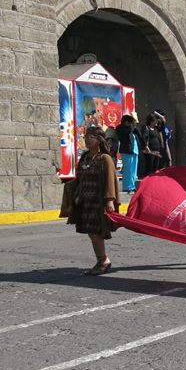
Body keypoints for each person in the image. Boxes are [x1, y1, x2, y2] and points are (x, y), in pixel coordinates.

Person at [67, 125, 121, 275]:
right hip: (85, 201)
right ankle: (101, 260)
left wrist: (110, 200)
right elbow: (79, 177)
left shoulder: (105, 158)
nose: (87, 140)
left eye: (90, 137)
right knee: (91, 232)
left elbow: (110, 180)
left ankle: (103, 260)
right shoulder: (85, 157)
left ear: (98, 140)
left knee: (96, 232)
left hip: (99, 201)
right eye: (86, 137)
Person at [115, 113, 141, 193]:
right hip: (127, 151)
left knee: (133, 170)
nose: (130, 124)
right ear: (125, 121)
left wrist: (135, 125)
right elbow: (128, 130)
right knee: (127, 170)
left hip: (134, 151)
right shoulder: (120, 128)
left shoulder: (132, 128)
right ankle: (127, 187)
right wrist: (132, 125)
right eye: (129, 122)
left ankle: (132, 186)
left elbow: (139, 134)